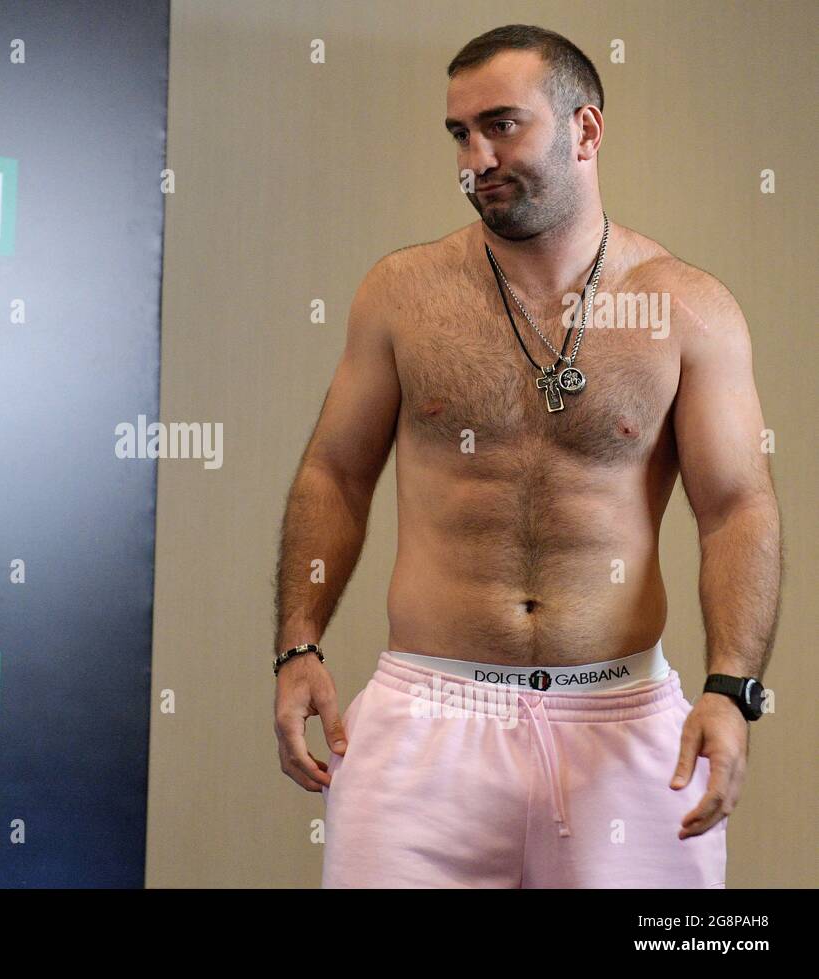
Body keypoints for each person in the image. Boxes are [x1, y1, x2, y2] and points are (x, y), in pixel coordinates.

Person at [271, 24, 780, 888]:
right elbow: (336, 472)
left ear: (586, 130)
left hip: (623, 724)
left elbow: (737, 506)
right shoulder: (402, 294)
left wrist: (731, 690)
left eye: (502, 125)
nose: (476, 157)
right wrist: (297, 645)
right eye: (460, 134)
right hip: (427, 716)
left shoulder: (687, 308)